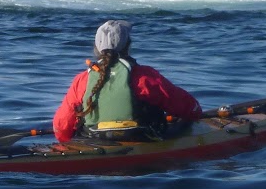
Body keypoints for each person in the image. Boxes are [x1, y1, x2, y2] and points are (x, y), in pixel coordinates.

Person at [52, 20, 202, 142]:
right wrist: (191, 115)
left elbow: (61, 127)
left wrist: (66, 142)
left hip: (93, 140)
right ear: (128, 45)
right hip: (142, 140)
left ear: (96, 48)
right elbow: (190, 108)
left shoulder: (82, 80)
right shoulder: (144, 76)